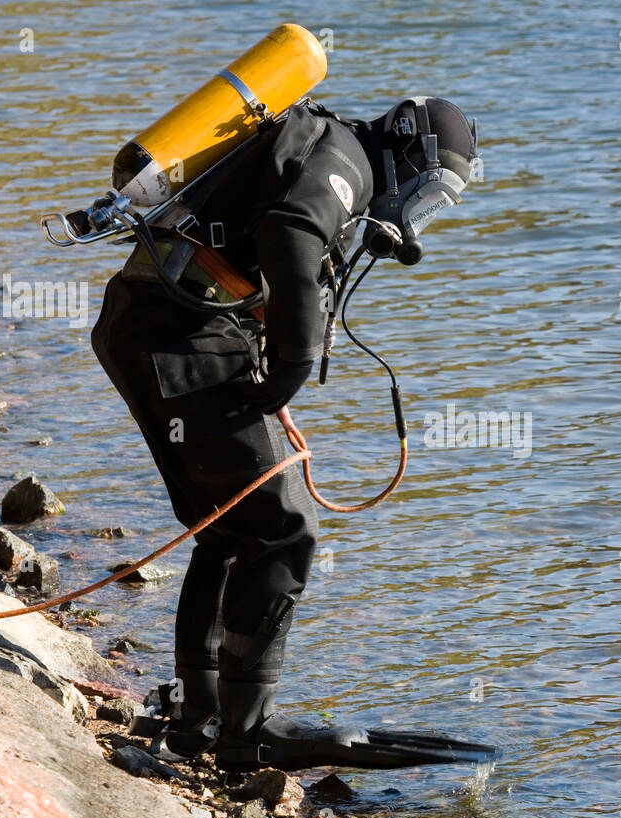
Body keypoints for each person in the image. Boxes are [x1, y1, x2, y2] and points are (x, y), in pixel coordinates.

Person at [91, 96, 493, 772]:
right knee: (281, 530)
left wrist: (269, 354)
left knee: (228, 530)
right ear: (405, 156)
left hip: (152, 325)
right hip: (181, 337)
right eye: (425, 194)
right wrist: (294, 362)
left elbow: (271, 241)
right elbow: (290, 231)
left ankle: (201, 718)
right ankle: (246, 735)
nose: (417, 216)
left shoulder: (320, 146)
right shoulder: (343, 159)